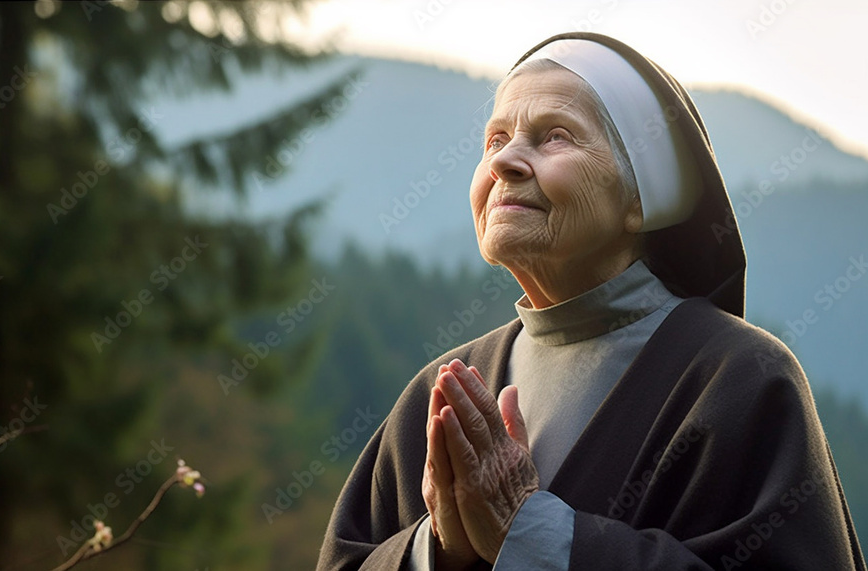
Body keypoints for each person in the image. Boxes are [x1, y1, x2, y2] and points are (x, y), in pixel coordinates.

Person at [315, 32, 867, 570]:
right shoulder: (436, 396)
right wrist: (436, 548)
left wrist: (530, 533)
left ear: (641, 200)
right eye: (496, 140)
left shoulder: (738, 380)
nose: (506, 162)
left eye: (554, 136)